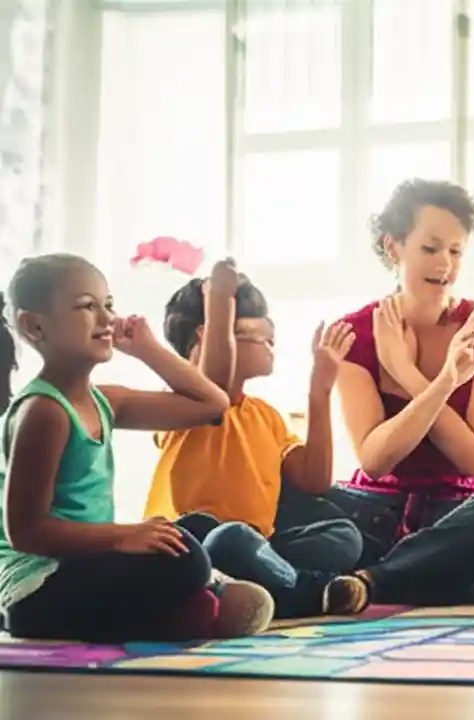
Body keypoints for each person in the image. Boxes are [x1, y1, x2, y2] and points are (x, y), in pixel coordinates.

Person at [274, 178, 474, 607]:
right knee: (289, 493)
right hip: (375, 509)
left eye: (456, 251)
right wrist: (434, 381)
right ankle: (430, 571)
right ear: (393, 247)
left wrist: (409, 375)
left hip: (457, 508)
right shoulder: (355, 332)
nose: (444, 264)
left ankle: (375, 579)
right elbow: (375, 459)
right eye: (430, 248)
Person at [0, 254, 271, 641]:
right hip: (37, 587)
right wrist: (122, 536)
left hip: (86, 564)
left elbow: (212, 404)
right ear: (35, 325)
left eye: (109, 305)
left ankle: (193, 604)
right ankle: (197, 602)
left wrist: (147, 348)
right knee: (185, 557)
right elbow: (26, 532)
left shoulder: (105, 402)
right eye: (87, 306)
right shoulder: (44, 412)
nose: (107, 318)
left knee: (199, 527)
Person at [145, 258, 366, 617]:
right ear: (206, 334)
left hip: (259, 544)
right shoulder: (181, 403)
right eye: (258, 327)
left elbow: (315, 480)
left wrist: (320, 389)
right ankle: (307, 591)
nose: (271, 336)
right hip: (191, 546)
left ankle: (259, 585)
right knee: (231, 538)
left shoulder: (265, 415)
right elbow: (215, 385)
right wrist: (220, 299)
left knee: (343, 536)